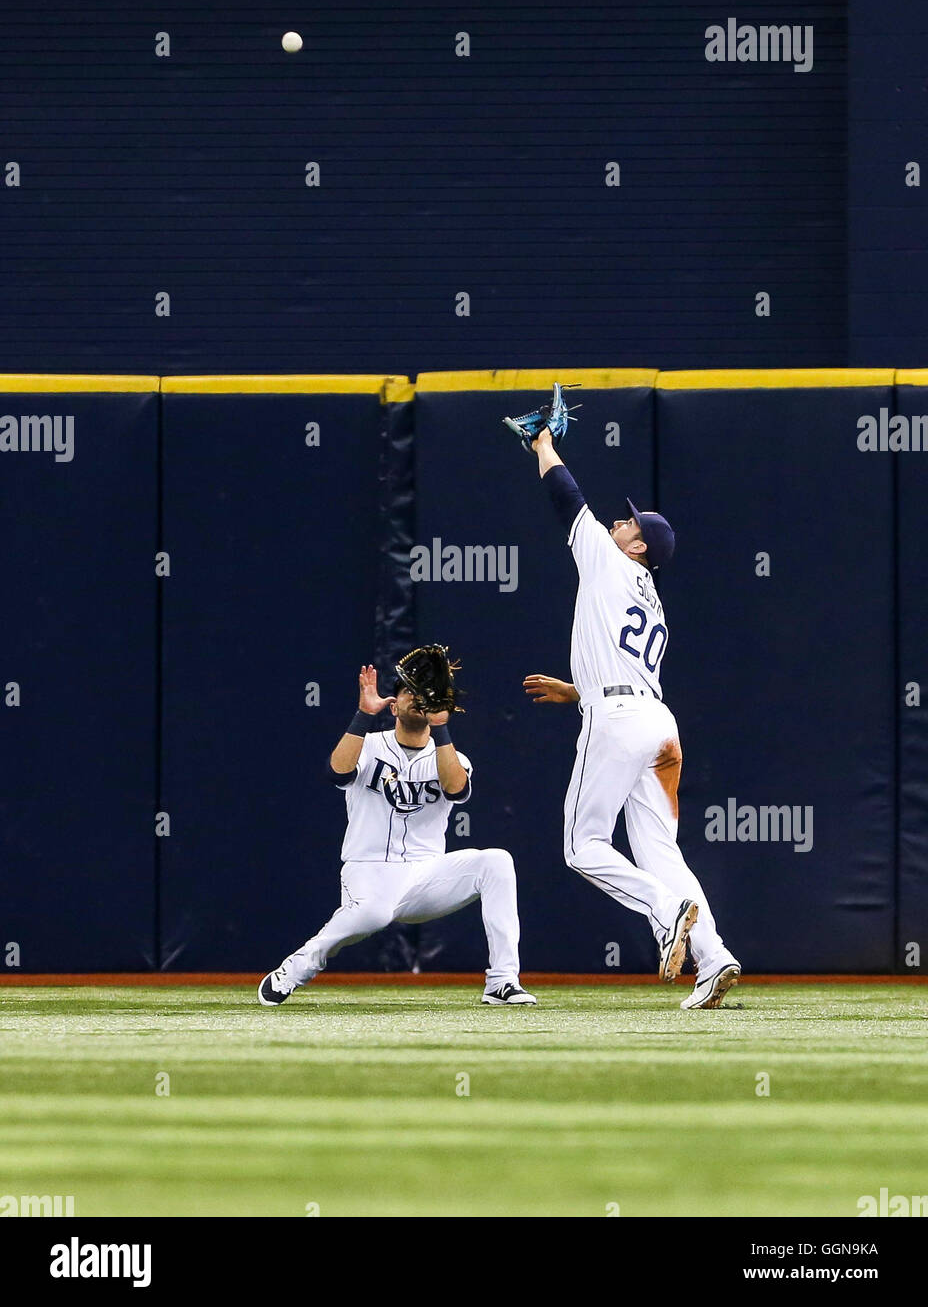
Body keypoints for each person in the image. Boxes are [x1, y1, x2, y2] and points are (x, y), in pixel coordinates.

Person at [524, 427, 740, 1010]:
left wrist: (542, 444)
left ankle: (666, 911)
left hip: (618, 718)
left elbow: (567, 496)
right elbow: (625, 671)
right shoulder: (651, 597)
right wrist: (577, 691)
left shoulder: (609, 560)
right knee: (661, 852)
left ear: (637, 545)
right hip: (657, 725)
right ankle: (714, 957)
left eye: (628, 524)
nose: (618, 524)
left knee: (582, 844)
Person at [258, 662, 536, 1007]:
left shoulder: (453, 757)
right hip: (368, 868)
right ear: (394, 705)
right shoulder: (369, 744)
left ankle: (502, 981)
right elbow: (336, 771)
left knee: (496, 861)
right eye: (410, 691)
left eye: (427, 694)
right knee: (375, 914)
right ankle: (297, 967)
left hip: (426, 875)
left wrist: (441, 728)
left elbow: (454, 788)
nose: (419, 698)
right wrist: (362, 714)